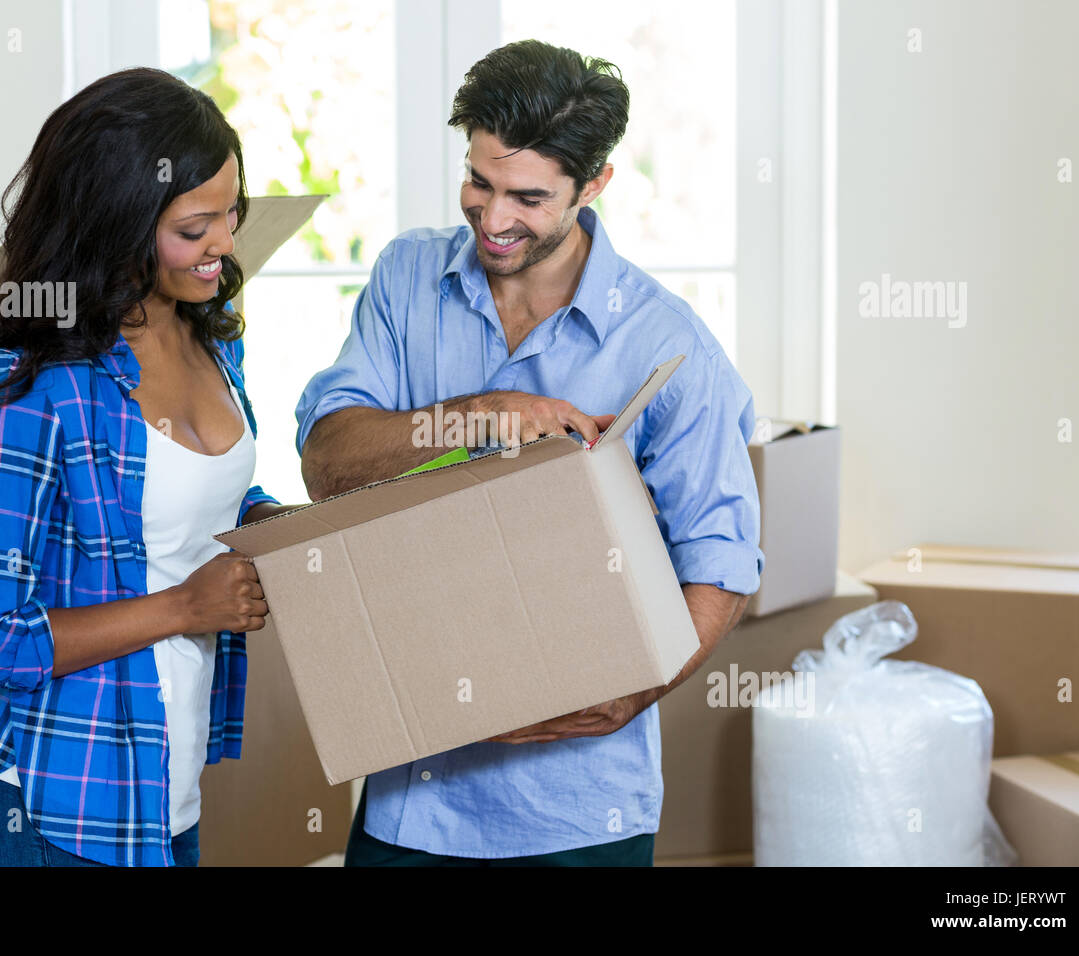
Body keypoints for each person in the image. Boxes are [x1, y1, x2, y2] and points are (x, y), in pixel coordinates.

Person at [296, 39, 765, 866]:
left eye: (529, 197)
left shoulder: (668, 344)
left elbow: (721, 561)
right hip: (412, 799)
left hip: (580, 809)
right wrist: (488, 415)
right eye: (480, 182)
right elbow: (329, 463)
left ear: (595, 185)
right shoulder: (408, 280)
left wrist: (633, 694)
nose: (494, 217)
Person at [0, 67, 290, 867]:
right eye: (195, 227)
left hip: (161, 792)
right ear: (118, 222)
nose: (226, 244)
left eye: (232, 212)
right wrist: (185, 607)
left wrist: (267, 520)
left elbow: (177, 506)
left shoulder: (211, 336)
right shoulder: (40, 387)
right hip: (48, 804)